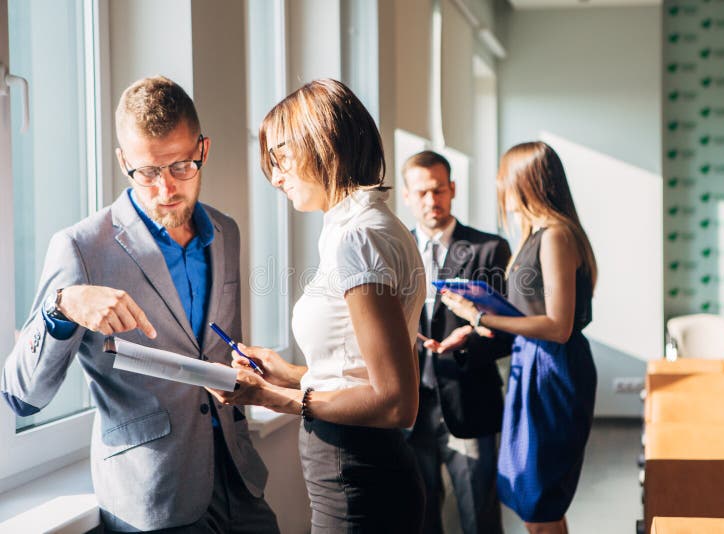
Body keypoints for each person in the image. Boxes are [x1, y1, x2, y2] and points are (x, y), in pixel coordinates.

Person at [1, 76, 280, 533]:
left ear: (203, 149)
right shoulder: (80, 248)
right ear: (123, 161)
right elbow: (20, 396)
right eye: (147, 172)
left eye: (181, 166)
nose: (166, 189)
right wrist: (61, 306)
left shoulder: (225, 231)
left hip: (240, 481)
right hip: (155, 499)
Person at [206, 78, 426, 533]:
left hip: (356, 471)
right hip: (364, 466)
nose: (276, 178)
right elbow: (359, 373)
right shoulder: (371, 226)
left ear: (322, 143)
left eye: (280, 158)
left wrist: (271, 397)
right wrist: (287, 372)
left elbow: (394, 402)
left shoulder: (358, 239)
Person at [441, 142, 598, 534]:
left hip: (552, 369)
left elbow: (558, 326)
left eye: (504, 178)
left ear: (528, 182)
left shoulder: (556, 236)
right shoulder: (537, 235)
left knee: (539, 502)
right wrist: (475, 328)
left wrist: (480, 314)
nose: (499, 186)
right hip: (533, 363)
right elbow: (528, 315)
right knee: (537, 502)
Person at [401, 150, 511, 534]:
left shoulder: (489, 249)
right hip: (410, 408)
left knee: (480, 517)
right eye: (421, 193)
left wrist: (466, 342)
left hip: (469, 401)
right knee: (420, 517)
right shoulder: (395, 250)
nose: (431, 200)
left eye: (439, 190)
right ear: (406, 196)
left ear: (453, 189)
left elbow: (509, 332)